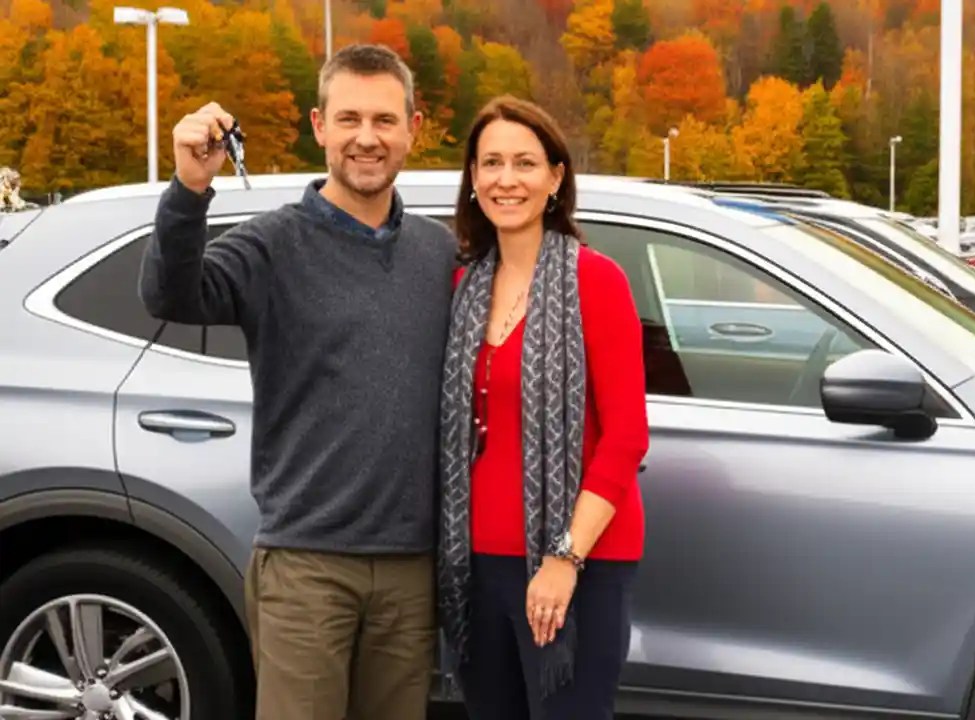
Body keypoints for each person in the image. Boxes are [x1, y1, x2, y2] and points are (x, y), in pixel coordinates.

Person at [139, 43, 455, 720]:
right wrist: (189, 189)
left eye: (383, 120)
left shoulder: (438, 252)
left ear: (413, 128)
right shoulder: (270, 245)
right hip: (307, 566)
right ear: (319, 126)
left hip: (410, 568)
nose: (366, 138)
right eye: (348, 119)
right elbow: (170, 296)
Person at [437, 95, 650, 719]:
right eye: (491, 163)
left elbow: (626, 438)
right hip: (475, 565)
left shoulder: (597, 281)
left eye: (525, 163)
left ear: (555, 178)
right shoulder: (461, 287)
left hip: (579, 563)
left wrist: (564, 557)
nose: (507, 179)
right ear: (473, 178)